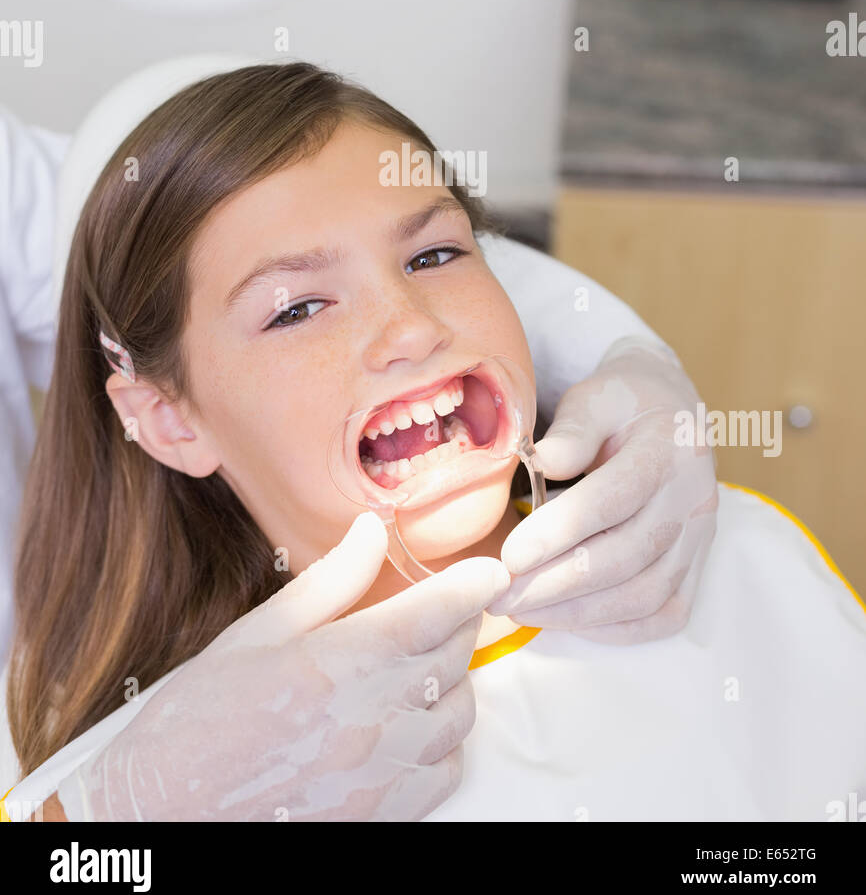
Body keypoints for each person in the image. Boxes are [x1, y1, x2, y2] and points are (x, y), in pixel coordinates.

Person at [7, 62, 860, 823]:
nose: (409, 329)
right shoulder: (140, 790)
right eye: (297, 308)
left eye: (434, 255)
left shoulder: (738, 562)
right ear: (168, 419)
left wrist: (634, 356)